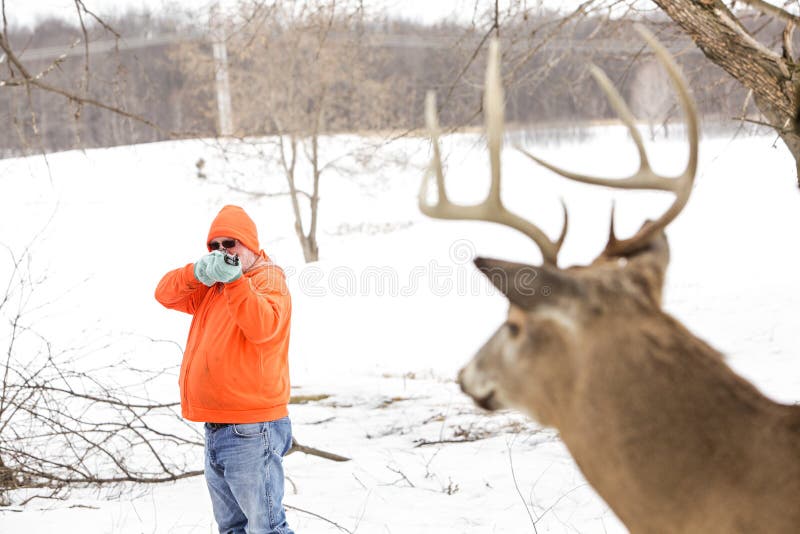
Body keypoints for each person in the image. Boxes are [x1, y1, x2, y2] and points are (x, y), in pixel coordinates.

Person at [155, 205, 294, 534]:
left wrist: (234, 283)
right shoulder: (212, 287)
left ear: (250, 246)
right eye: (214, 247)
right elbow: (163, 294)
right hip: (217, 426)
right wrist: (196, 272)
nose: (222, 253)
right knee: (232, 527)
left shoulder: (268, 280)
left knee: (266, 528)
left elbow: (263, 326)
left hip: (251, 427)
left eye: (230, 244)